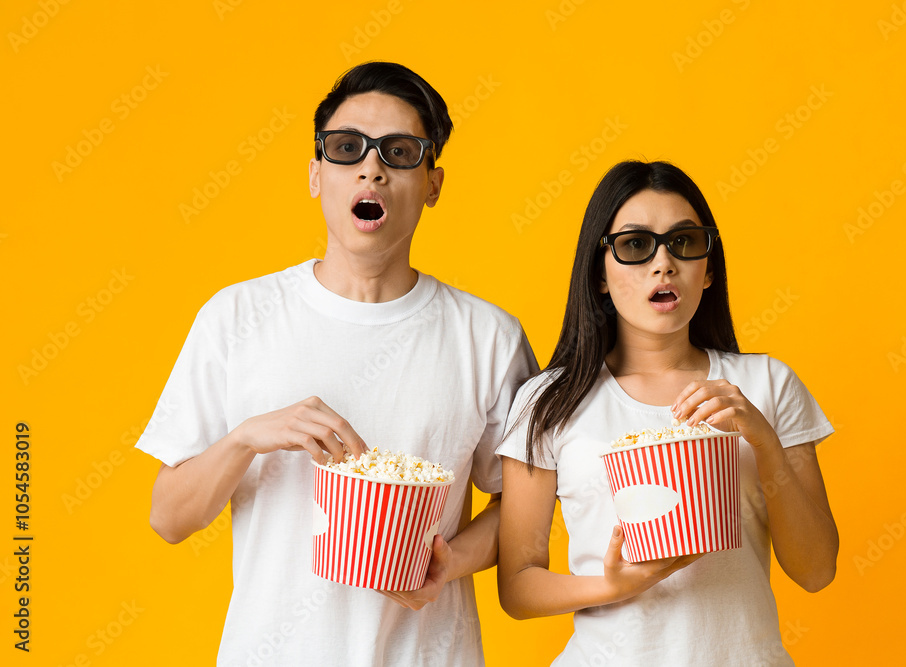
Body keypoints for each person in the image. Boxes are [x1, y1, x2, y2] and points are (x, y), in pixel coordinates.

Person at [136, 61, 536, 666]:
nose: (371, 167)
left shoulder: (489, 338)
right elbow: (168, 517)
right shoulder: (237, 315)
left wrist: (452, 560)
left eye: (400, 152)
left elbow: (522, 504)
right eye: (347, 148)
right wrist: (247, 438)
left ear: (433, 183)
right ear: (316, 175)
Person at [496, 160, 837, 665]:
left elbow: (816, 571)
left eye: (685, 243)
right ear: (601, 275)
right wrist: (613, 585)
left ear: (709, 268)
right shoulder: (549, 402)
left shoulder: (767, 384)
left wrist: (764, 442)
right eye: (636, 246)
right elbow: (518, 588)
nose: (664, 264)